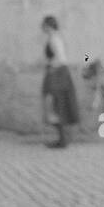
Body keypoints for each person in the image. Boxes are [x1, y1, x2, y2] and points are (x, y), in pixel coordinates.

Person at [41, 15, 79, 149]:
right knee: (55, 105)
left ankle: (63, 139)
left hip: (58, 75)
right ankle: (62, 138)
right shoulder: (54, 38)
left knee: (57, 104)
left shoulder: (55, 39)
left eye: (44, 25)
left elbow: (61, 59)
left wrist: (51, 68)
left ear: (48, 25)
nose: (42, 27)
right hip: (57, 74)